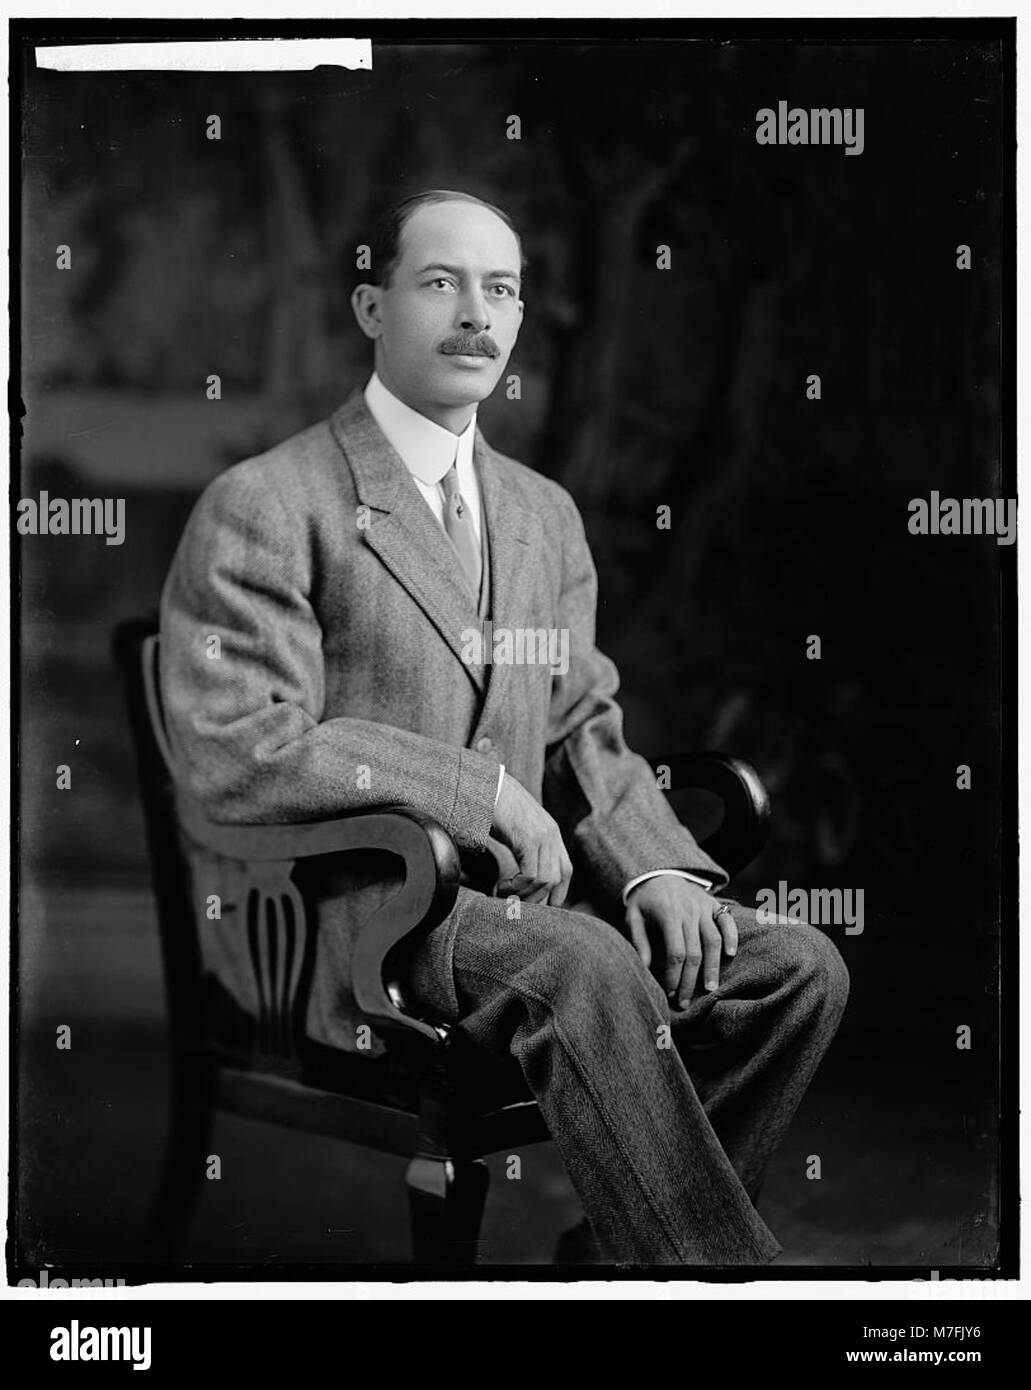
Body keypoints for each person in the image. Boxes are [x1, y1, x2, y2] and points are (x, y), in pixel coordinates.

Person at [159, 188, 849, 1266]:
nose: (475, 313)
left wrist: (655, 868)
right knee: (582, 961)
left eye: (501, 288)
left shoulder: (539, 514)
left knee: (794, 968)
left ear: (521, 322)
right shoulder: (268, 501)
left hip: (531, 910)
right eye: (438, 282)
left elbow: (580, 722)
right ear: (370, 306)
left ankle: (627, 1260)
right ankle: (721, 1282)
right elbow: (239, 746)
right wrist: (466, 790)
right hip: (372, 916)